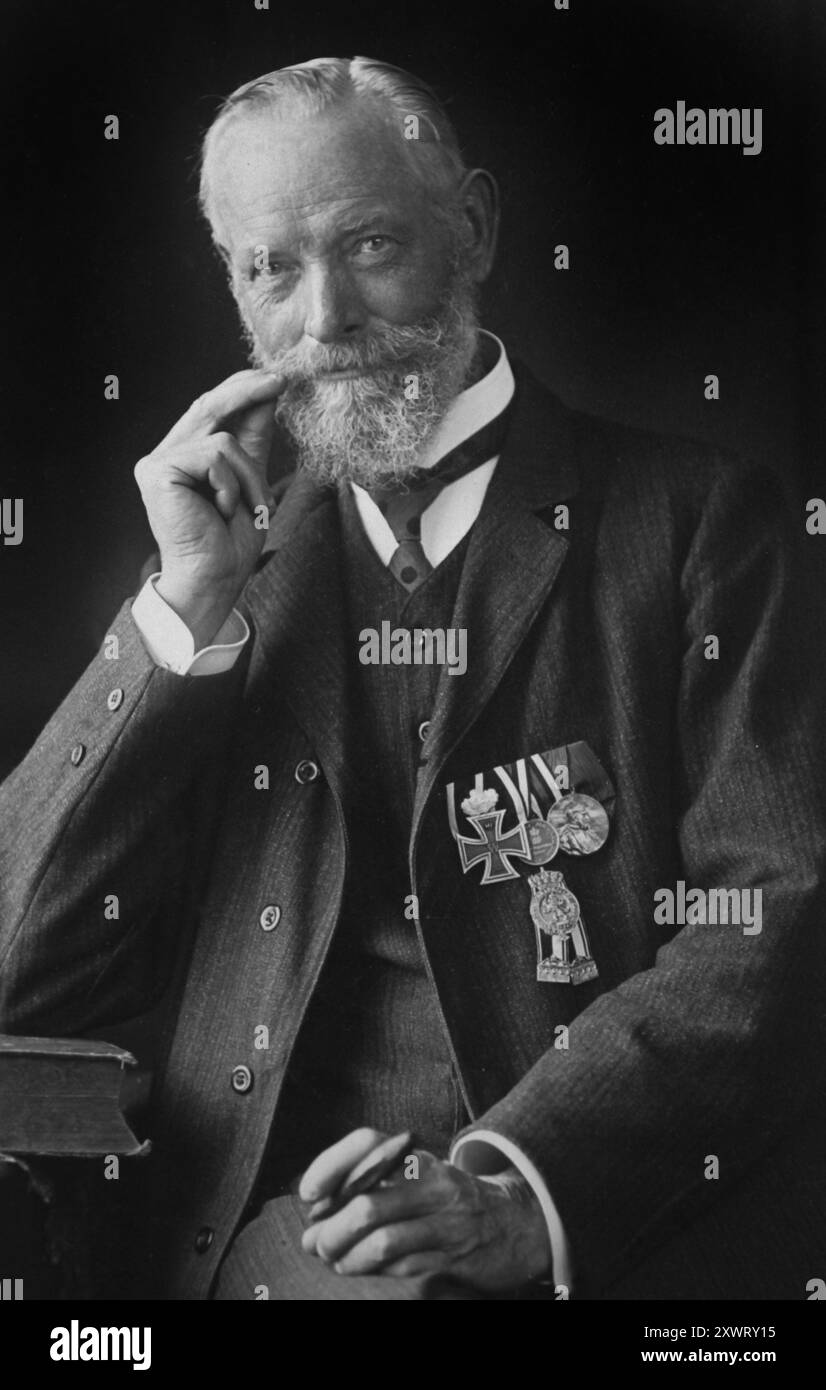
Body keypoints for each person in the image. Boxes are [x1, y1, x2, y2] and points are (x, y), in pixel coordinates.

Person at [1, 55, 824, 1302]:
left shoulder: (705, 523)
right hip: (233, 1239)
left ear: (474, 228)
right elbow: (27, 968)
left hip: (579, 1233)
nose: (324, 318)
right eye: (269, 268)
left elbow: (769, 914)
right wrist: (176, 615)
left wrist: (515, 1183)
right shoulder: (220, 559)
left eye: (370, 243)